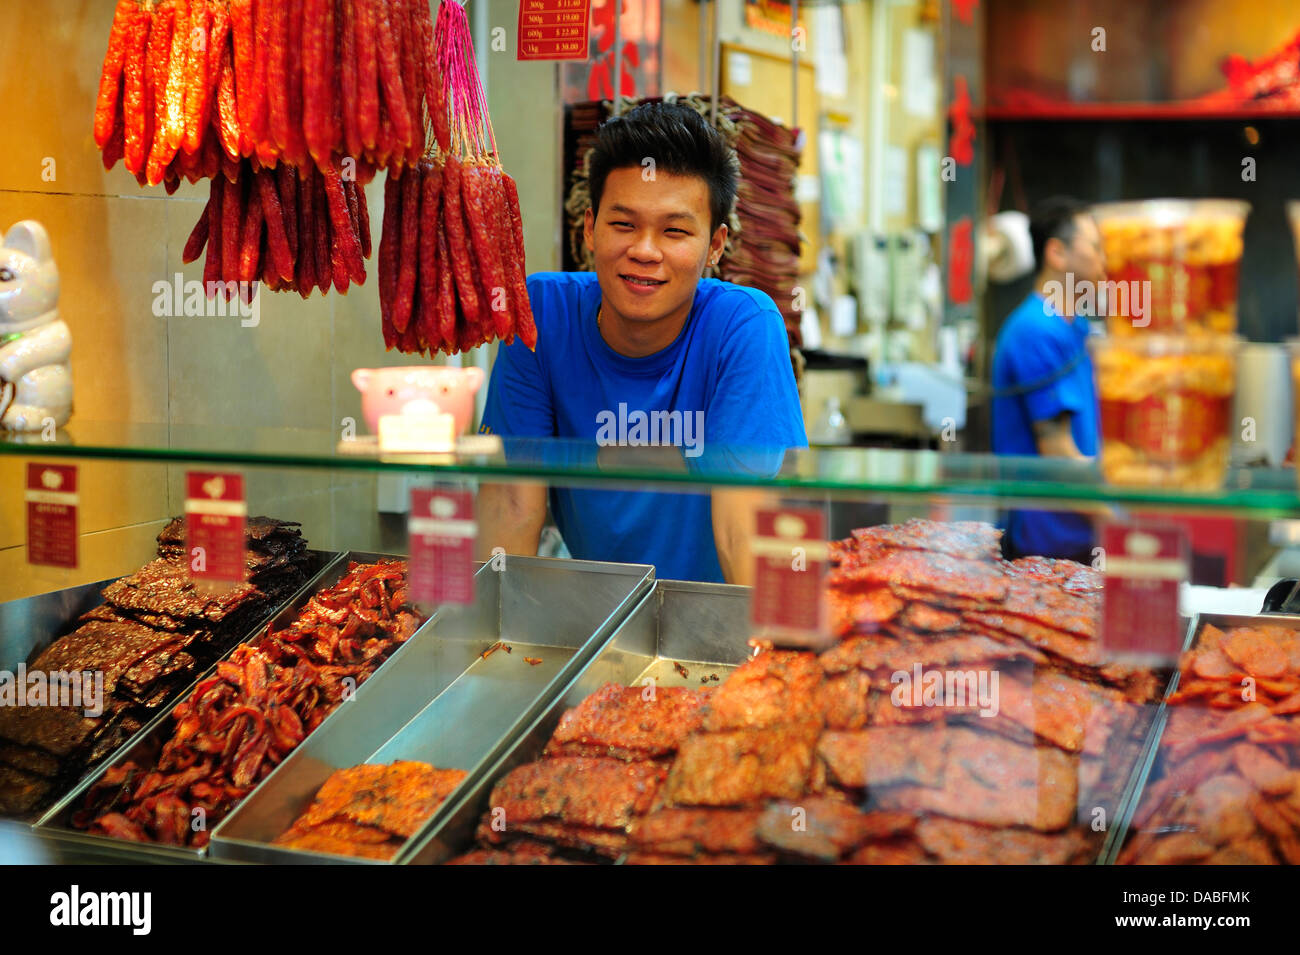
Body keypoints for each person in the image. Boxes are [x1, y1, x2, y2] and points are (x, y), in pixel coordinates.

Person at [476, 101, 807, 583]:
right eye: (624, 224)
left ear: (715, 246)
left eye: (674, 231)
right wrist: (491, 642)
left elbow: (745, 532)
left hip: (723, 614)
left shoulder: (743, 326)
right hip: (604, 613)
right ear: (590, 227)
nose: (644, 251)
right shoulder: (540, 316)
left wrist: (758, 653)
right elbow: (511, 507)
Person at [991, 196, 1105, 563]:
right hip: (1045, 553)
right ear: (1057, 253)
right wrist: (1122, 523)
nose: (1107, 257)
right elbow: (1058, 453)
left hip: (1083, 541)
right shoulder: (1036, 330)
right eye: (1096, 246)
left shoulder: (1077, 326)